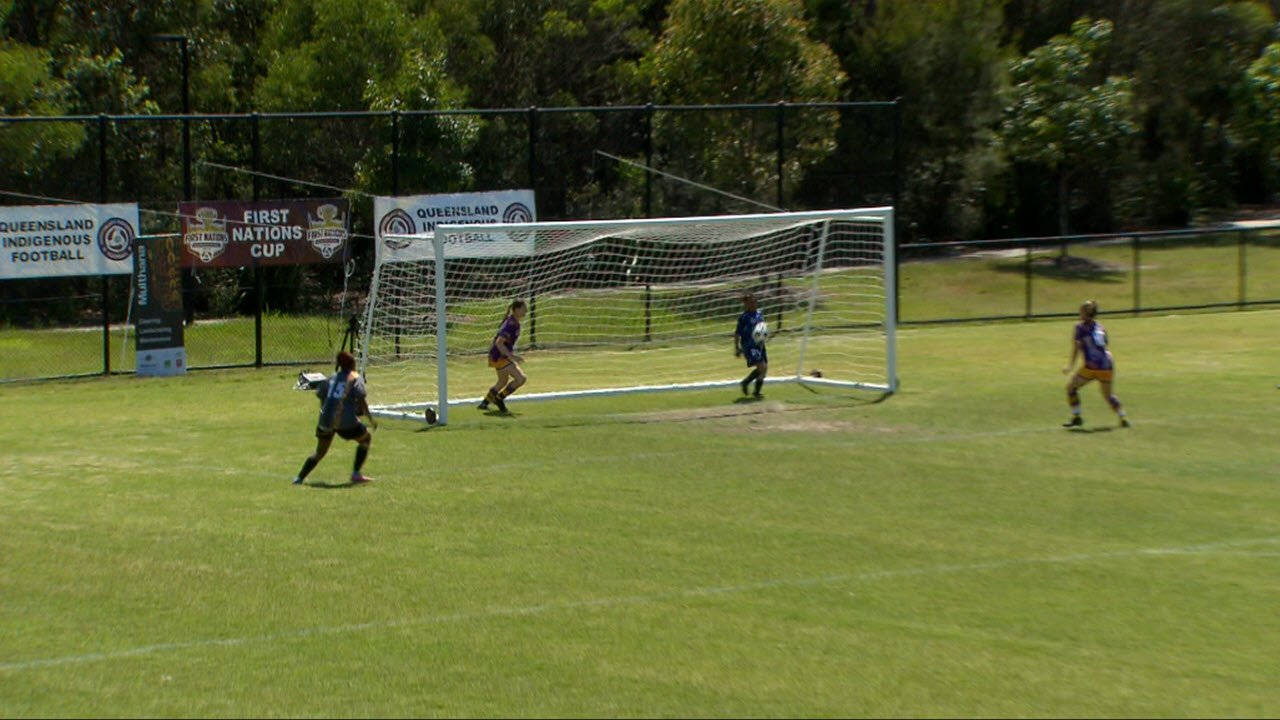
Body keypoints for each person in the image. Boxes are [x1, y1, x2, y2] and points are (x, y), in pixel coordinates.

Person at [293, 350, 377, 485]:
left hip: (325, 420)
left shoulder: (332, 378)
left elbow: (320, 394)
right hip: (345, 422)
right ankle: (356, 474)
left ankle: (299, 478)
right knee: (365, 439)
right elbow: (361, 400)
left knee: (320, 452)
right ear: (353, 364)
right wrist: (370, 420)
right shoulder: (355, 377)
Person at [1062, 300, 1130, 428]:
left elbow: (1077, 347)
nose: (1079, 312)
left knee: (1071, 388)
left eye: (1081, 310)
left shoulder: (1080, 328)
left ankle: (1076, 416)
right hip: (1106, 364)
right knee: (1108, 395)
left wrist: (1070, 366)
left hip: (1091, 366)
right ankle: (1123, 417)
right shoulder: (1100, 327)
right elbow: (1105, 344)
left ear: (1085, 313)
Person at [477, 300, 528, 413]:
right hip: (499, 356)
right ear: (516, 310)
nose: (526, 311)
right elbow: (499, 343)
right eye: (524, 308)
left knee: (502, 382)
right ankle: (499, 399)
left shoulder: (513, 322)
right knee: (521, 379)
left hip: (497, 355)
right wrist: (512, 357)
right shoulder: (511, 324)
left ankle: (484, 403)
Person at [735, 292, 768, 398]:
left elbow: (761, 328)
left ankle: (749, 386)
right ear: (746, 304)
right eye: (750, 302)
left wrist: (764, 335)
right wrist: (737, 348)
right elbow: (737, 333)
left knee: (764, 369)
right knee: (762, 367)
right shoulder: (744, 317)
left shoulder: (760, 313)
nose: (753, 303)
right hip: (750, 346)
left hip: (760, 345)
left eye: (755, 301)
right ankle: (751, 388)